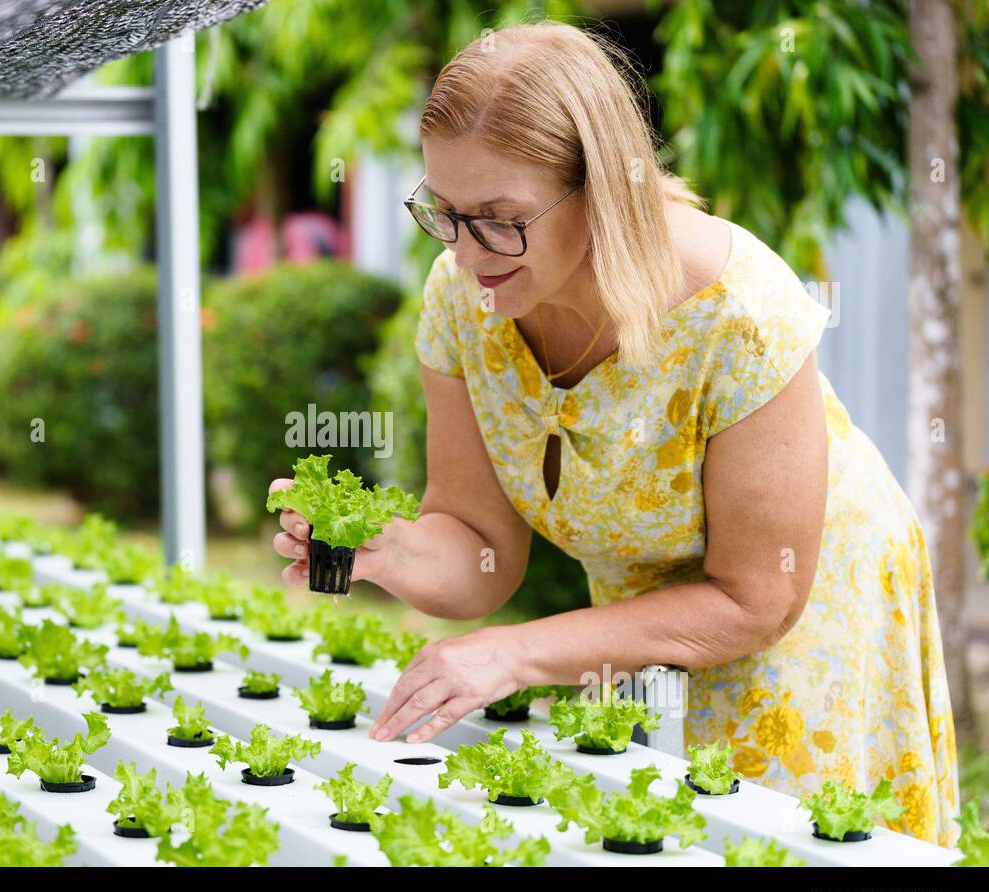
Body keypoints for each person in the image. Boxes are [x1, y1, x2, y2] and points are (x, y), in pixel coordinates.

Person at [268, 21, 958, 847]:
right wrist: (392, 552)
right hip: (638, 639)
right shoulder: (464, 296)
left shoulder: (738, 313)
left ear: (601, 191)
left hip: (807, 620)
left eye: (499, 217)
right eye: (443, 212)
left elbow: (757, 597)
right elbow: (480, 548)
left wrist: (515, 654)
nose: (465, 250)